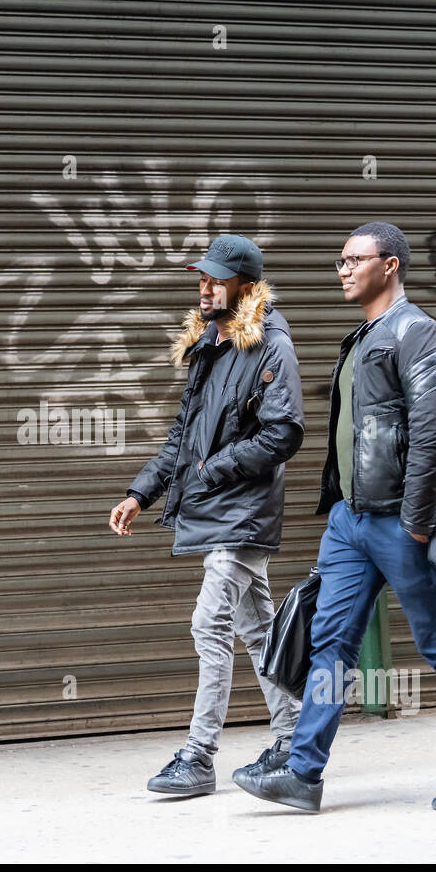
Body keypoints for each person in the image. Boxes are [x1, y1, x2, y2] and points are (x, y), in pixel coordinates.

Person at [234, 221, 436, 813]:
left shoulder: (418, 332)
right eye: (340, 261)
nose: (344, 269)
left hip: (402, 521)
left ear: (392, 265)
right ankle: (303, 773)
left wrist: (417, 522)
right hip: (350, 523)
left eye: (356, 259)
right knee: (329, 643)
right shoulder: (361, 339)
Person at [109, 234, 306, 796]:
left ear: (245, 285)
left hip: (242, 512)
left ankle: (198, 756)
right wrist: (140, 492)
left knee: (208, 624)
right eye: (202, 277)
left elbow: (284, 432)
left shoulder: (269, 345)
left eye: (217, 279)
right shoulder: (210, 347)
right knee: (257, 627)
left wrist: (213, 469)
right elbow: (181, 438)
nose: (205, 286)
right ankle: (294, 737)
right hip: (220, 510)